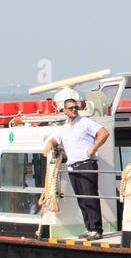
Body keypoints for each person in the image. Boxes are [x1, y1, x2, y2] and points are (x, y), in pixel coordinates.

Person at [43, 97, 109, 239]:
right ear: (65, 110)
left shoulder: (85, 122)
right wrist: (49, 146)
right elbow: (55, 139)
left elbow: (104, 133)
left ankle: (96, 229)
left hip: (86, 164)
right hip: (73, 166)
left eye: (76, 107)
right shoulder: (64, 128)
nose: (74, 110)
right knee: (81, 198)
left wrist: (93, 149)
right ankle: (89, 227)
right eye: (71, 108)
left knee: (89, 196)